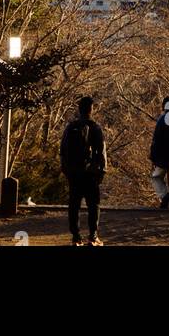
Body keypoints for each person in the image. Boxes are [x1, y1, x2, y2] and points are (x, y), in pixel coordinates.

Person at [60, 95, 107, 246]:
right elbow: (101, 152)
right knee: (94, 205)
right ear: (91, 109)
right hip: (91, 174)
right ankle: (93, 237)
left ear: (79, 109)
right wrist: (101, 171)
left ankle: (76, 238)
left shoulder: (70, 128)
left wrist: (67, 171)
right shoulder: (95, 128)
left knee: (74, 205)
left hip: (74, 173)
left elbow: (62, 151)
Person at [149, 96, 169, 208]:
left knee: (156, 177)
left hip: (164, 158)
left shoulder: (162, 120)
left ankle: (164, 196)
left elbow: (156, 141)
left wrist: (153, 158)